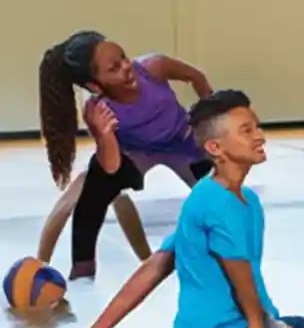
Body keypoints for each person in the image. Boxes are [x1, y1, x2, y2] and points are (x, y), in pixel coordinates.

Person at [41, 90, 304, 328]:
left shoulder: (246, 200)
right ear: (215, 148)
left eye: (257, 127)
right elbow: (237, 278)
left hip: (258, 322)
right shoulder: (212, 203)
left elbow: (158, 264)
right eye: (247, 130)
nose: (260, 136)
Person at [37, 30, 214, 279]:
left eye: (123, 57)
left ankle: (225, 253)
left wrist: (210, 121)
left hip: (182, 142)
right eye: (114, 68)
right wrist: (105, 135)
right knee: (94, 193)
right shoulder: (98, 110)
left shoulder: (154, 67)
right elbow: (111, 167)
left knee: (220, 193)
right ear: (95, 85)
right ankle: (82, 270)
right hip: (136, 151)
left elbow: (196, 76)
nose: (126, 67)